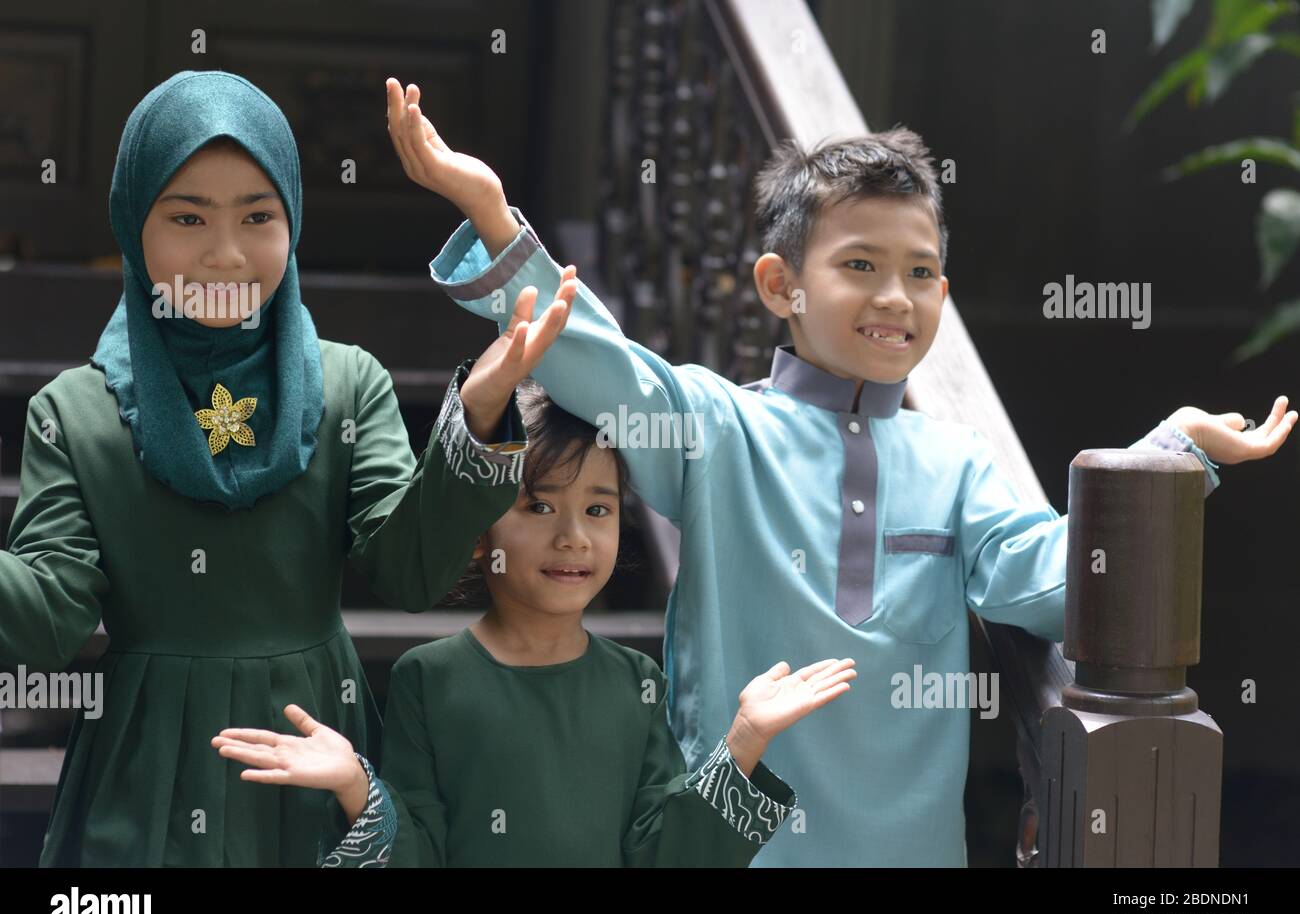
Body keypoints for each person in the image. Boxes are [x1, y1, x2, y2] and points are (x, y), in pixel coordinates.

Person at [386, 77, 1297, 866]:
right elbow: (596, 363)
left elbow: (1057, 587)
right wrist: (493, 217)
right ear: (781, 284)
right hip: (730, 845)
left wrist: (1170, 458)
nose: (894, 296)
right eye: (859, 264)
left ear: (942, 292)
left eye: (919, 270)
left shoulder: (959, 464)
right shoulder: (718, 425)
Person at [0, 70, 570, 866]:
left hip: (316, 749)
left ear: (293, 222)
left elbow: (406, 572)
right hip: (146, 766)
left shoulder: (347, 386)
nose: (226, 252)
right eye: (188, 216)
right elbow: (44, 622)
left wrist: (475, 421)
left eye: (258, 216)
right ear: (135, 224)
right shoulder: (77, 414)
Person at [214, 380, 856, 866]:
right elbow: (418, 852)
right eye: (539, 505)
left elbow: (664, 854)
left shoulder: (635, 680)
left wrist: (742, 742)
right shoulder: (428, 679)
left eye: (598, 510)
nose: (573, 537)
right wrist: (357, 785)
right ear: (477, 530)